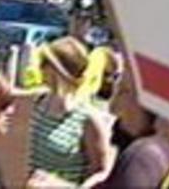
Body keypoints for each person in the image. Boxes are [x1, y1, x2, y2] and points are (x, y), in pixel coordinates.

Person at [27, 37, 114, 188]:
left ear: (59, 72)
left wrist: (60, 186)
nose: (39, 67)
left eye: (45, 63)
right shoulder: (35, 103)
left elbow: (101, 173)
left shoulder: (88, 119)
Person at [96, 71, 169, 189]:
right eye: (118, 77)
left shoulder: (145, 158)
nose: (116, 85)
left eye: (125, 90)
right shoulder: (124, 137)